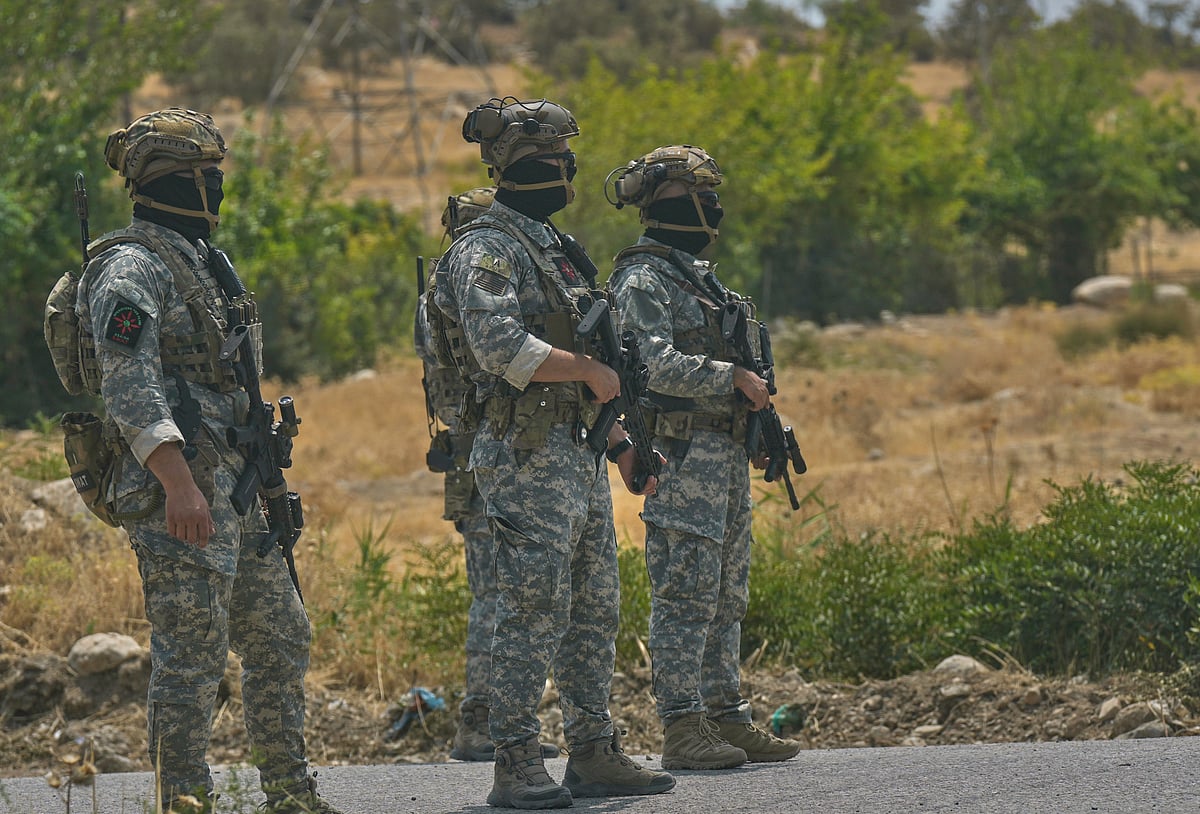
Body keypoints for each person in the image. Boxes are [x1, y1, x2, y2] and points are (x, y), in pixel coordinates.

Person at [72, 108, 343, 813]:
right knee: (191, 658)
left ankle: (288, 791)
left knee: (282, 635)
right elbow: (128, 385)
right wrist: (178, 486)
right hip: (181, 491)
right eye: (208, 175)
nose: (218, 187)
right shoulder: (130, 267)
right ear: (176, 179)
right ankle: (181, 801)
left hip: (237, 485)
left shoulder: (202, 260)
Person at [432, 97, 676, 809]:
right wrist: (589, 373)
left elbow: (594, 355)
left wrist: (623, 441)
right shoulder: (488, 248)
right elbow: (500, 346)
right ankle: (514, 759)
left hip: (575, 455)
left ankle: (593, 749)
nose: (568, 173)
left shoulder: (555, 250)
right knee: (531, 608)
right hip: (521, 457)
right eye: (559, 162)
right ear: (536, 166)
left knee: (595, 607)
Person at [605, 145, 803, 770]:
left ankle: (725, 715)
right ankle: (682, 727)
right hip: (680, 455)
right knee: (685, 592)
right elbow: (650, 364)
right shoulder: (643, 280)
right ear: (676, 202)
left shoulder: (696, 274)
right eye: (704, 194)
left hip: (722, 454)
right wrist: (732, 377)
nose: (715, 206)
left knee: (726, 592)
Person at [414, 186, 559, 763]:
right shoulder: (457, 297)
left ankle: (495, 718)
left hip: (487, 453)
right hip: (487, 454)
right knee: (496, 595)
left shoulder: (440, 297)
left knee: (506, 593)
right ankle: (481, 720)